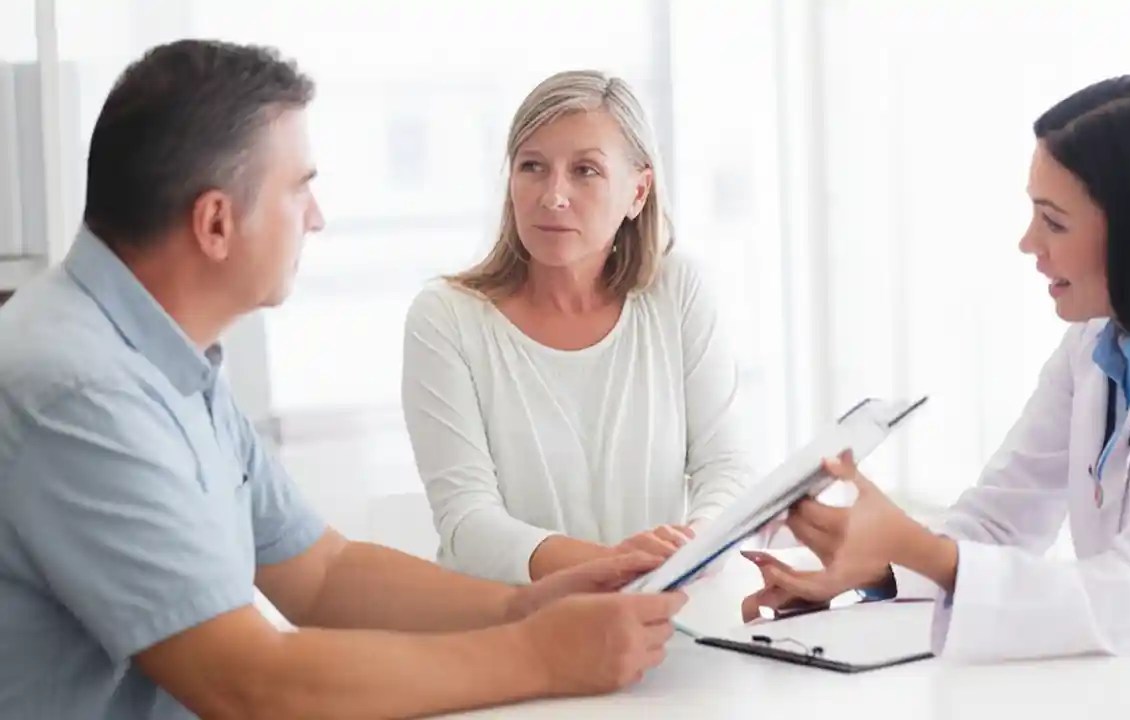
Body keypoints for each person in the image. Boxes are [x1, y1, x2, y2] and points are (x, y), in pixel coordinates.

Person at [0, 40, 685, 719]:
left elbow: (323, 575)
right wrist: (539, 655)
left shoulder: (163, 360)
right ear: (215, 222)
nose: (317, 217)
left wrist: (525, 606)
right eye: (299, 189)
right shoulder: (79, 392)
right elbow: (248, 685)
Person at [741, 73, 1130, 687]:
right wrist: (876, 568)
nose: (1028, 243)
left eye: (1054, 221)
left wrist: (920, 550)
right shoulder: (1093, 346)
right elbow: (1002, 522)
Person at [402, 70, 753, 584]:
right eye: (533, 167)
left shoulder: (677, 291)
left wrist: (691, 553)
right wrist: (617, 567)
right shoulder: (446, 317)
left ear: (638, 192)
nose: (553, 195)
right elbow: (467, 522)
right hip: (507, 635)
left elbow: (726, 469)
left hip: (660, 620)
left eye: (585, 170)